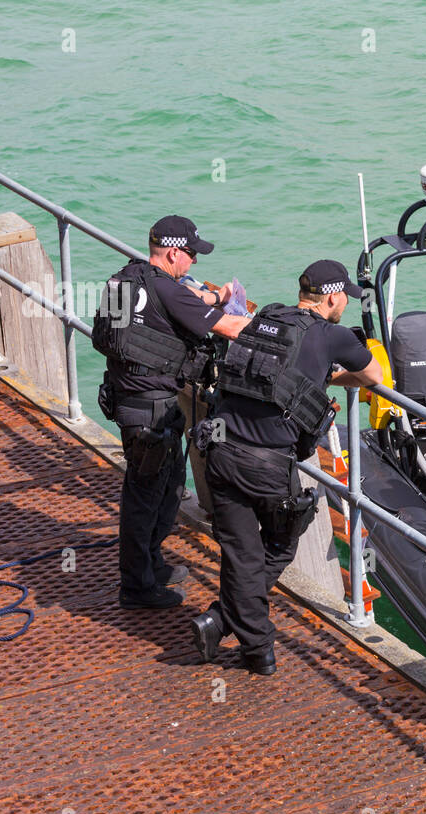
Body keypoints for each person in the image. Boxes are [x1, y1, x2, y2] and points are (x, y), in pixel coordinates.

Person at [191, 259, 382, 675]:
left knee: (241, 555)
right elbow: (374, 376)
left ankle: (237, 632)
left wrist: (314, 376)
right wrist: (329, 378)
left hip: (219, 449)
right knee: (281, 543)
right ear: (332, 298)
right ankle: (245, 638)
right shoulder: (333, 335)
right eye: (343, 298)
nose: (344, 305)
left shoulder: (266, 316)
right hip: (267, 463)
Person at [94, 215, 252, 610]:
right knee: (144, 495)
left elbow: (116, 336)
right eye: (191, 255)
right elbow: (230, 328)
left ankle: (152, 562)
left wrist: (214, 297)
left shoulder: (125, 280)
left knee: (168, 485)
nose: (194, 264)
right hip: (150, 407)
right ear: (172, 252)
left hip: (128, 397)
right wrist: (278, 332)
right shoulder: (167, 289)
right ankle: (136, 587)